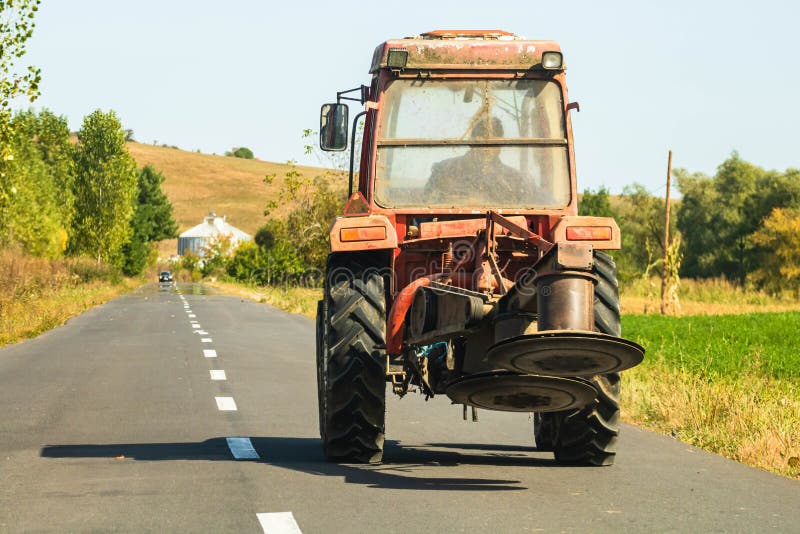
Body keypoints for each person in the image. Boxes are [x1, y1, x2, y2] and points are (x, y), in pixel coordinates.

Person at [425, 117, 530, 205]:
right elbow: (427, 207)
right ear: (472, 142)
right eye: (481, 141)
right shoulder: (444, 171)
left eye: (493, 142)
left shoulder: (513, 179)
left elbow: (524, 215)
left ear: (501, 144)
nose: (487, 148)